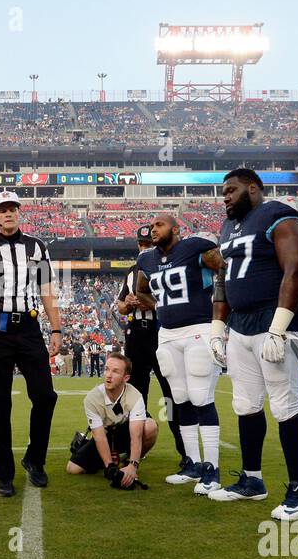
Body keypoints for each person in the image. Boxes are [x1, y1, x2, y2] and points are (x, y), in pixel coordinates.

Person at [207, 169, 298, 520]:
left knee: (284, 406)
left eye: (231, 190)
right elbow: (223, 277)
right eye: (223, 191)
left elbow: (296, 268)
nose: (225, 197)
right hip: (240, 322)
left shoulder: (276, 213)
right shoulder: (227, 229)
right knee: (245, 404)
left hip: (275, 319)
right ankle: (252, 480)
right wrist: (217, 325)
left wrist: (279, 327)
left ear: (253, 188)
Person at [0, 191, 61, 497]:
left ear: (19, 213)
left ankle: (35, 459)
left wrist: (56, 328)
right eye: (2, 210)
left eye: (12, 209)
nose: (7, 214)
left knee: (45, 395)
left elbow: (46, 289)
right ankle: (4, 474)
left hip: (29, 327)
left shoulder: (36, 246)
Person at [134, 212, 224, 494]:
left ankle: (212, 469)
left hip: (198, 328)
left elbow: (224, 269)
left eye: (159, 224)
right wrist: (160, 306)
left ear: (176, 228)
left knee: (201, 397)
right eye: (151, 226)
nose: (153, 229)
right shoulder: (146, 259)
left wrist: (217, 312)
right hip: (168, 333)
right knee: (181, 399)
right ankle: (192, 463)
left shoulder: (195, 246)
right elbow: (140, 290)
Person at [117, 224, 186, 477]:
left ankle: (185, 451)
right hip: (136, 334)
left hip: (160, 332)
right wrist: (128, 303)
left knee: (172, 393)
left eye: (149, 245)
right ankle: (134, 449)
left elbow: (169, 303)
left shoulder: (163, 268)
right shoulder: (131, 271)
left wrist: (145, 300)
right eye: (142, 244)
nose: (144, 248)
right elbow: (121, 308)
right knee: (136, 394)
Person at [67, 353, 158, 489]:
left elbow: (136, 436)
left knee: (150, 426)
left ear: (126, 378)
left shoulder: (135, 396)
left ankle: (129, 460)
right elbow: (99, 437)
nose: (109, 375)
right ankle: (111, 461)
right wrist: (109, 467)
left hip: (125, 431)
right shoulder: (92, 398)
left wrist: (132, 466)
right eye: (107, 369)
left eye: (115, 371)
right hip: (106, 433)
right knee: (73, 468)